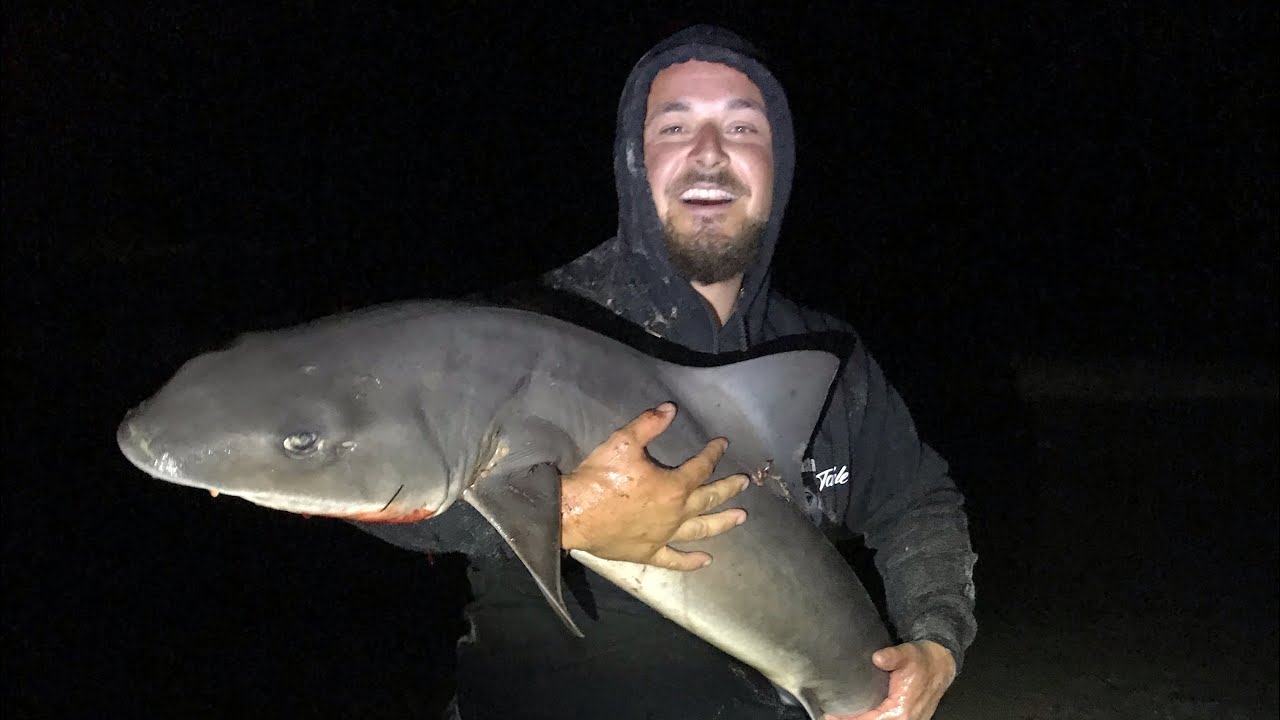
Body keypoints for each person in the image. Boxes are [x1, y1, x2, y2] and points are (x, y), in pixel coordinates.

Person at [370, 25, 977, 720]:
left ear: (779, 166)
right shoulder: (533, 330)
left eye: (742, 128)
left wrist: (936, 643)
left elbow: (917, 502)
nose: (710, 154)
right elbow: (377, 481)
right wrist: (567, 517)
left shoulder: (826, 359)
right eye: (676, 127)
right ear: (635, 160)